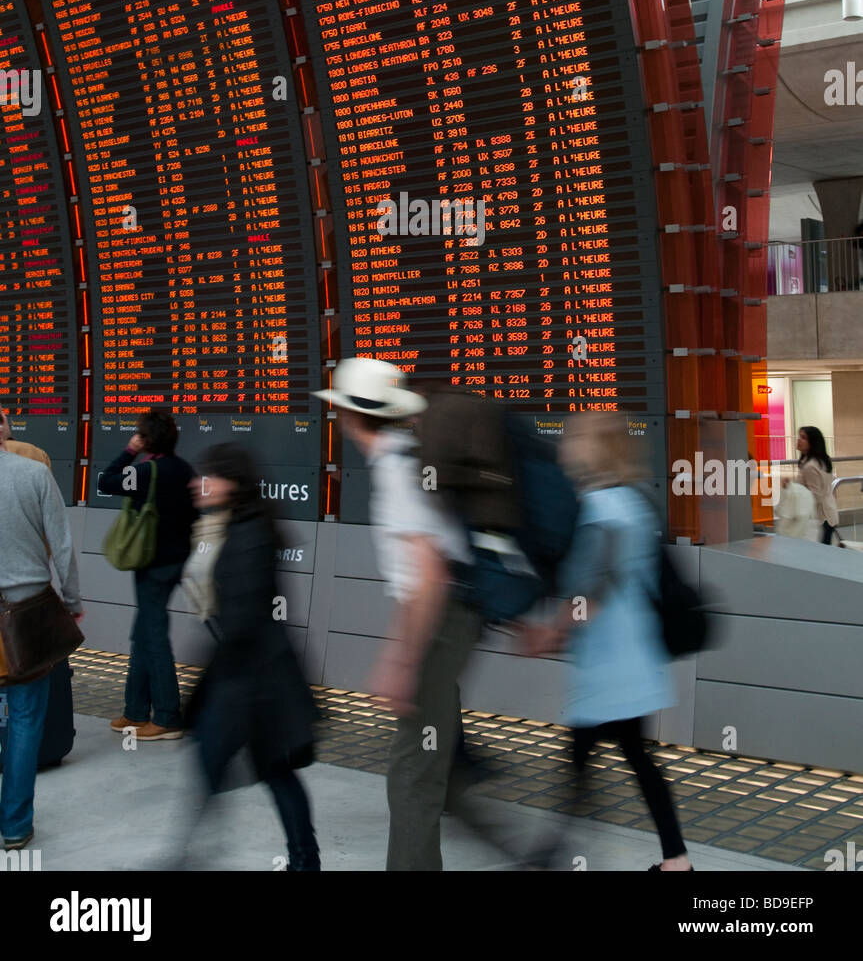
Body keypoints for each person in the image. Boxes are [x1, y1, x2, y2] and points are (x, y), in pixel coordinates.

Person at [316, 358, 517, 871]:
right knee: (435, 747)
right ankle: (485, 814)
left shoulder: (395, 468)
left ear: (349, 416)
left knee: (411, 770)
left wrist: (402, 664)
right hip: (458, 612)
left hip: (443, 616)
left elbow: (427, 575)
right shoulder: (410, 455)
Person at [520, 411, 692, 872]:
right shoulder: (633, 502)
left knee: (580, 759)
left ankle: (547, 859)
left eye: (574, 438)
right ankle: (676, 861)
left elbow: (594, 592)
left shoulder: (601, 508)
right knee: (633, 757)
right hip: (634, 656)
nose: (565, 446)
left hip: (609, 665)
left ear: (593, 448)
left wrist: (551, 630)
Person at [183, 443, 319, 871]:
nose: (196, 484)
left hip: (249, 681)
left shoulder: (247, 533)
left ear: (230, 482)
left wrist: (213, 662)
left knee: (224, 769)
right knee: (271, 772)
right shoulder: (223, 526)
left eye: (206, 477)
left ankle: (186, 859)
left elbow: (241, 617)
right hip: (250, 677)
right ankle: (304, 861)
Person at [0, 442, 83, 848]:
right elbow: (63, 547)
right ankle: (14, 826)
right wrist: (72, 603)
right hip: (28, 614)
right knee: (26, 719)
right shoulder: (34, 474)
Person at [100, 409, 195, 740]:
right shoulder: (183, 470)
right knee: (143, 633)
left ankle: (168, 716)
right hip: (178, 563)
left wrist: (129, 451)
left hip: (151, 565)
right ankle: (136, 711)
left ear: (146, 438)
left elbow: (106, 480)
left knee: (153, 636)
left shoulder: (144, 472)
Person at [783, 426, 842, 546]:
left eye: (803, 438)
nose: (799, 440)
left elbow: (815, 495)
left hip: (820, 519)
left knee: (820, 556)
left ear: (812, 442)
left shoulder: (810, 466)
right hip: (828, 514)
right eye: (799, 436)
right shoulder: (821, 461)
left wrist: (791, 489)